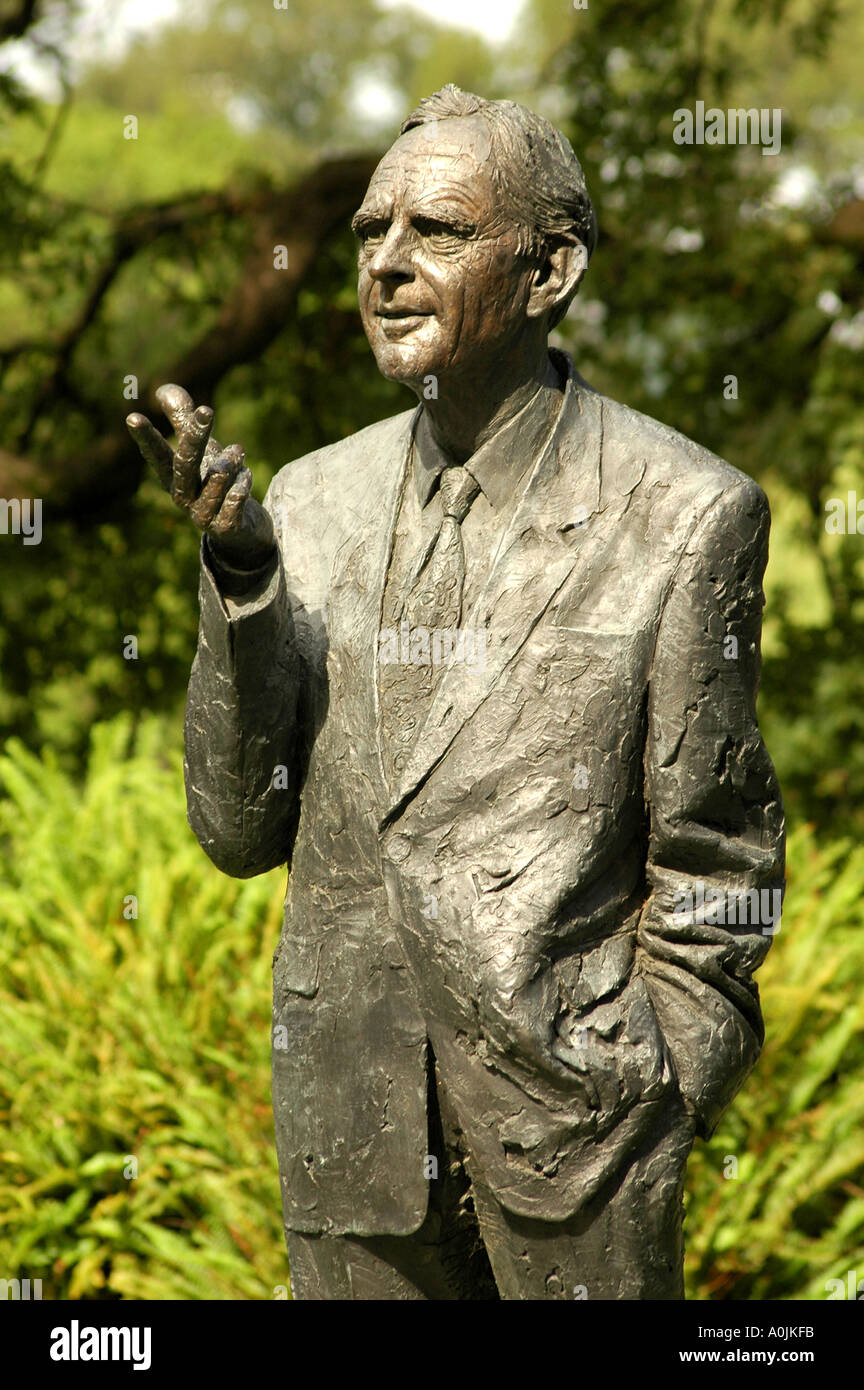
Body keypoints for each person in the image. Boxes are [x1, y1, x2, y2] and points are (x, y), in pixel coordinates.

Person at [128, 85, 784, 1300]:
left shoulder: (686, 513)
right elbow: (234, 831)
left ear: (550, 270)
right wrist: (243, 582)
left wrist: (658, 1072)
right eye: (372, 232)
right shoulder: (307, 506)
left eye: (434, 232)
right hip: (351, 1142)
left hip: (582, 1149)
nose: (384, 264)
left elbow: (726, 862)